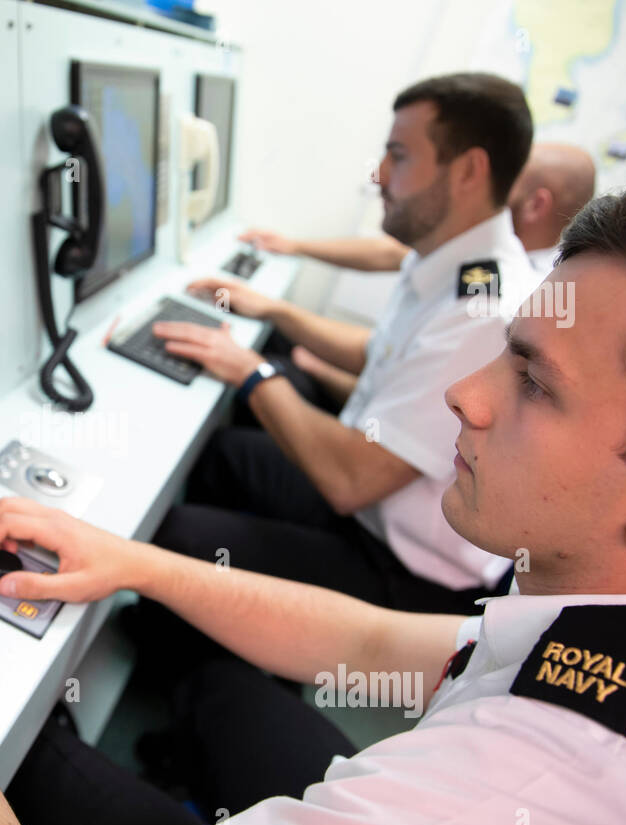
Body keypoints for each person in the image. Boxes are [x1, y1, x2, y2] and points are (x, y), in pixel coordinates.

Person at [0, 181, 626, 825]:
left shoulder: (506, 804)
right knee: (211, 679)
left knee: (16, 760)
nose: (463, 396)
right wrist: (134, 562)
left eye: (531, 383)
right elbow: (375, 641)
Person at [149, 73, 537, 619]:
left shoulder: (483, 313)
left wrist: (252, 370)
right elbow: (384, 352)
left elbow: (349, 481)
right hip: (373, 498)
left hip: (397, 561)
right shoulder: (457, 259)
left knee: (177, 535)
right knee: (222, 458)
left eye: (398, 156)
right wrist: (276, 311)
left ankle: (226, 668)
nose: (379, 175)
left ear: (469, 170)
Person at [240, 141, 596, 279]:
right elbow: (394, 254)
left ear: (536, 205)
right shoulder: (485, 251)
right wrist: (295, 246)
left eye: (504, 183)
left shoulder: (513, 285)